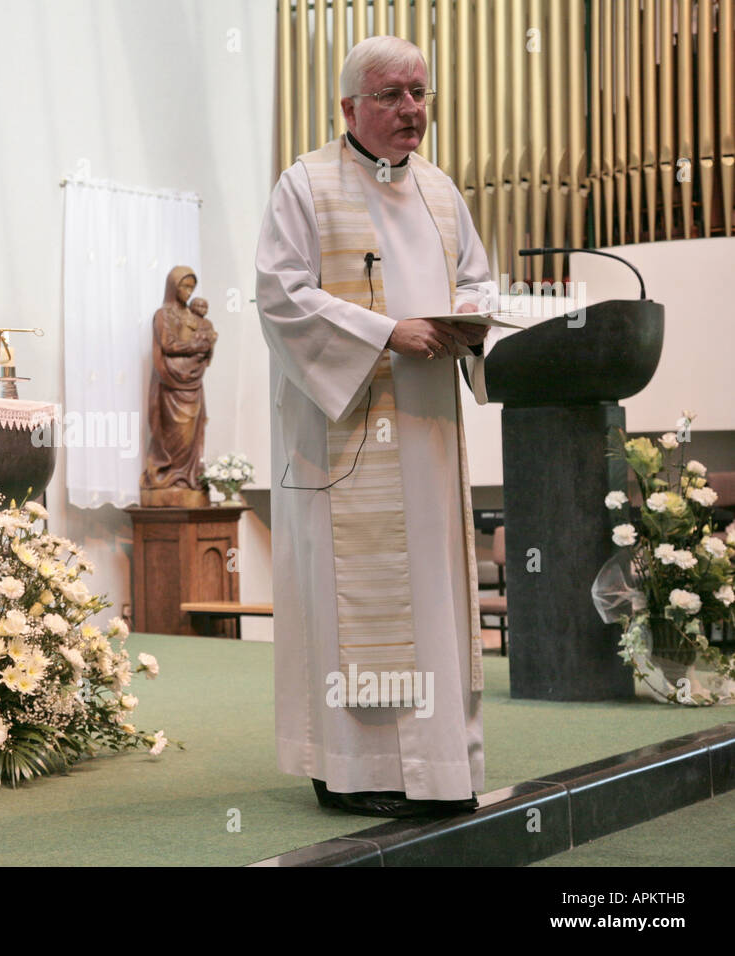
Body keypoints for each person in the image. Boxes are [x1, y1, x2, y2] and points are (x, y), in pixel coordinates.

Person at [255, 35, 498, 817]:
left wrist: (466, 318)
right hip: (349, 435)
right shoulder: (305, 184)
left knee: (428, 596)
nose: (412, 110)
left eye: (421, 93)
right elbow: (280, 295)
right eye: (393, 94)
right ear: (349, 107)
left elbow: (476, 278)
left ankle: (436, 767)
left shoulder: (439, 190)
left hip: (426, 434)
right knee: (355, 598)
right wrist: (383, 332)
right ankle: (353, 770)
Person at [140, 267, 218, 506]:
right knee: (172, 433)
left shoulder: (195, 317)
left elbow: (208, 342)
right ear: (173, 287)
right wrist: (197, 346)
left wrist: (205, 345)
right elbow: (168, 344)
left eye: (191, 287)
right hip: (171, 385)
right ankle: (168, 475)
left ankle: (189, 476)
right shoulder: (162, 315)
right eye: (184, 286)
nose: (188, 292)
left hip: (193, 384)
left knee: (192, 434)